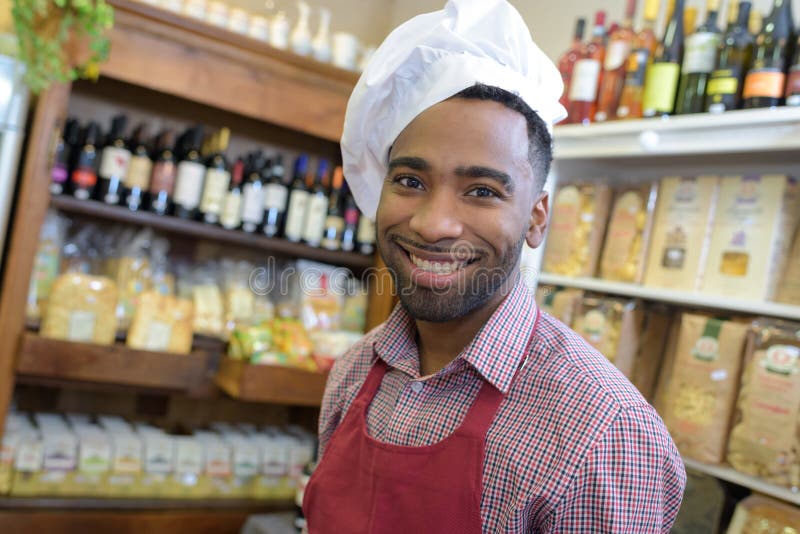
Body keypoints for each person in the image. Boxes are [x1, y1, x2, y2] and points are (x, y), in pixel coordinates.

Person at [302, 0, 686, 532]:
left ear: (535, 218)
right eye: (411, 181)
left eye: (481, 191)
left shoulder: (605, 434)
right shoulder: (353, 373)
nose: (435, 224)